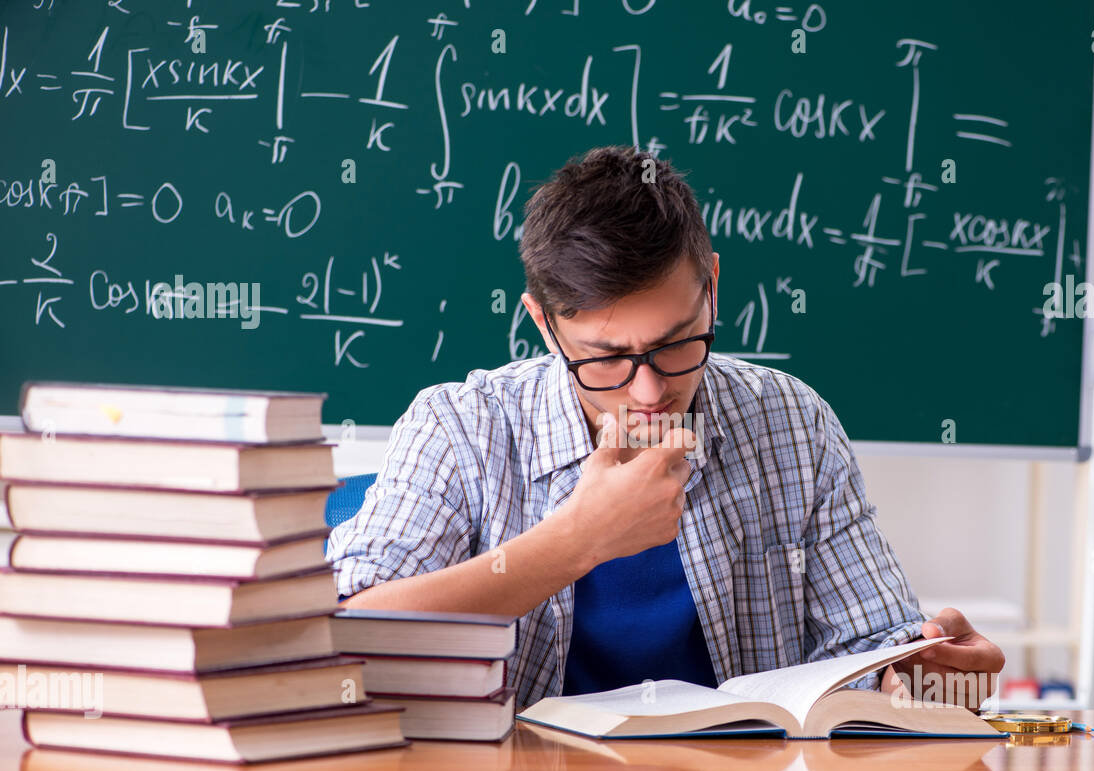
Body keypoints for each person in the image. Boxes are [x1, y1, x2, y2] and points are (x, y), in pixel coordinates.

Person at [327, 145, 1004, 710]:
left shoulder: (793, 422)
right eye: (606, 357)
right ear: (543, 323)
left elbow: (873, 653)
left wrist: (924, 673)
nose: (649, 391)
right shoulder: (461, 428)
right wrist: (576, 539)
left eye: (677, 342)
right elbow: (341, 636)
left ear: (711, 286)